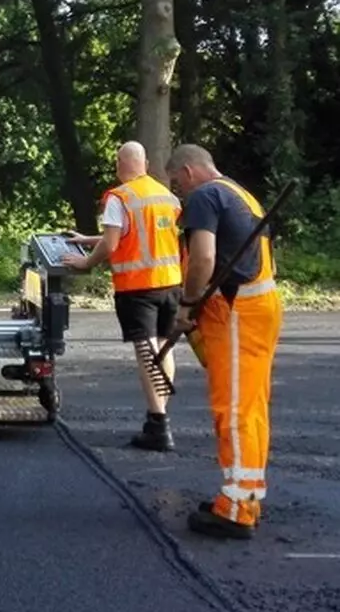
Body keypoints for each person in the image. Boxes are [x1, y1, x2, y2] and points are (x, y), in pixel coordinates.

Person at [165, 143, 283, 540]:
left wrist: (186, 306)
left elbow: (203, 260)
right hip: (259, 309)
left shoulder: (204, 196)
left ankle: (235, 510)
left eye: (176, 182)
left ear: (188, 170)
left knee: (234, 411)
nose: (177, 190)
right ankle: (245, 495)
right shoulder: (239, 192)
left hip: (236, 315)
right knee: (251, 408)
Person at [61, 141, 183, 451]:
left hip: (137, 288)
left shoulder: (120, 197)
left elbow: (112, 244)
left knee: (146, 353)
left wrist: (86, 261)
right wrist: (88, 239)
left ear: (120, 163)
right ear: (145, 163)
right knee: (163, 348)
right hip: (170, 285)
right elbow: (130, 233)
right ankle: (160, 415)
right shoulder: (165, 195)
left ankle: (158, 426)